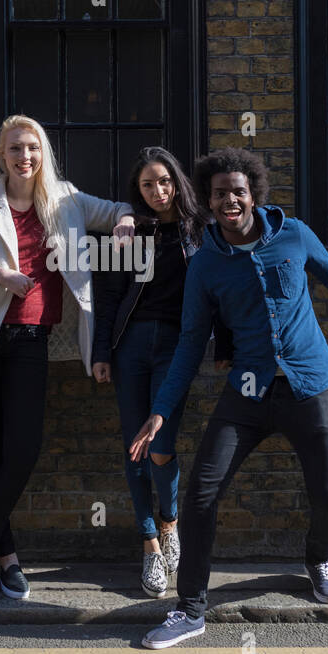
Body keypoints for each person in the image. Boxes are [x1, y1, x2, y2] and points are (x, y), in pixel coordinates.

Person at [129, 148, 328, 648]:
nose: (231, 200)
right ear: (208, 200)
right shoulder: (205, 265)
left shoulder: (294, 235)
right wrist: (160, 410)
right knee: (202, 493)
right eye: (220, 193)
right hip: (247, 393)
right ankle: (190, 609)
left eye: (239, 192)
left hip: (312, 385)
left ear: (254, 196)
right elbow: (188, 343)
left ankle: (318, 559)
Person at [0, 115, 135, 600]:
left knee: (23, 449)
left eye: (32, 147)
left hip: (31, 341)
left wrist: (127, 220)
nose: (24, 156)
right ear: (0, 156)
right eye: (14, 148)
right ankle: (6, 558)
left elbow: (116, 209)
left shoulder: (65, 199)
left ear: (42, 153)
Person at [92, 147, 232, 597]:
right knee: (133, 445)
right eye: (148, 184)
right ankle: (150, 543)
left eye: (165, 182)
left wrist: (225, 345)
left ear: (177, 183)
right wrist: (100, 352)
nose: (157, 191)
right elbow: (109, 294)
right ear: (138, 189)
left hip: (177, 346)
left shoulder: (201, 231)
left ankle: (170, 523)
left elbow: (222, 292)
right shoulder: (128, 231)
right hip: (130, 345)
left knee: (161, 444)